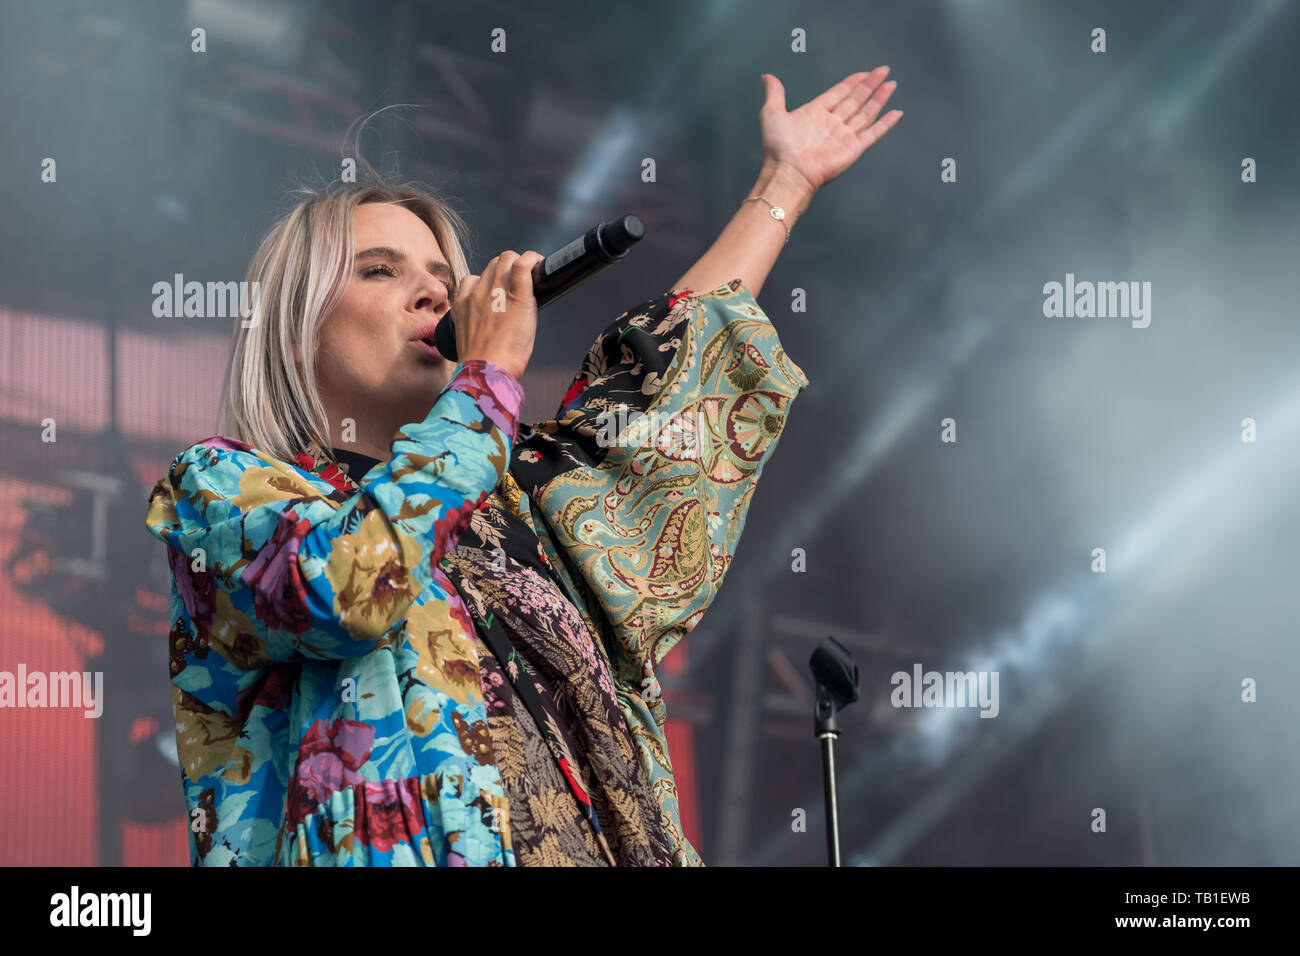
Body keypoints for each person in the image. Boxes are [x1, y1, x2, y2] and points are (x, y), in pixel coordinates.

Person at [142, 70, 901, 866]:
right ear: (294, 330)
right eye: (379, 271)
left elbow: (661, 385)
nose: (433, 296)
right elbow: (345, 589)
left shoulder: (518, 510)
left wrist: (785, 183)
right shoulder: (221, 493)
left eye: (443, 280)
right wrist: (487, 386)